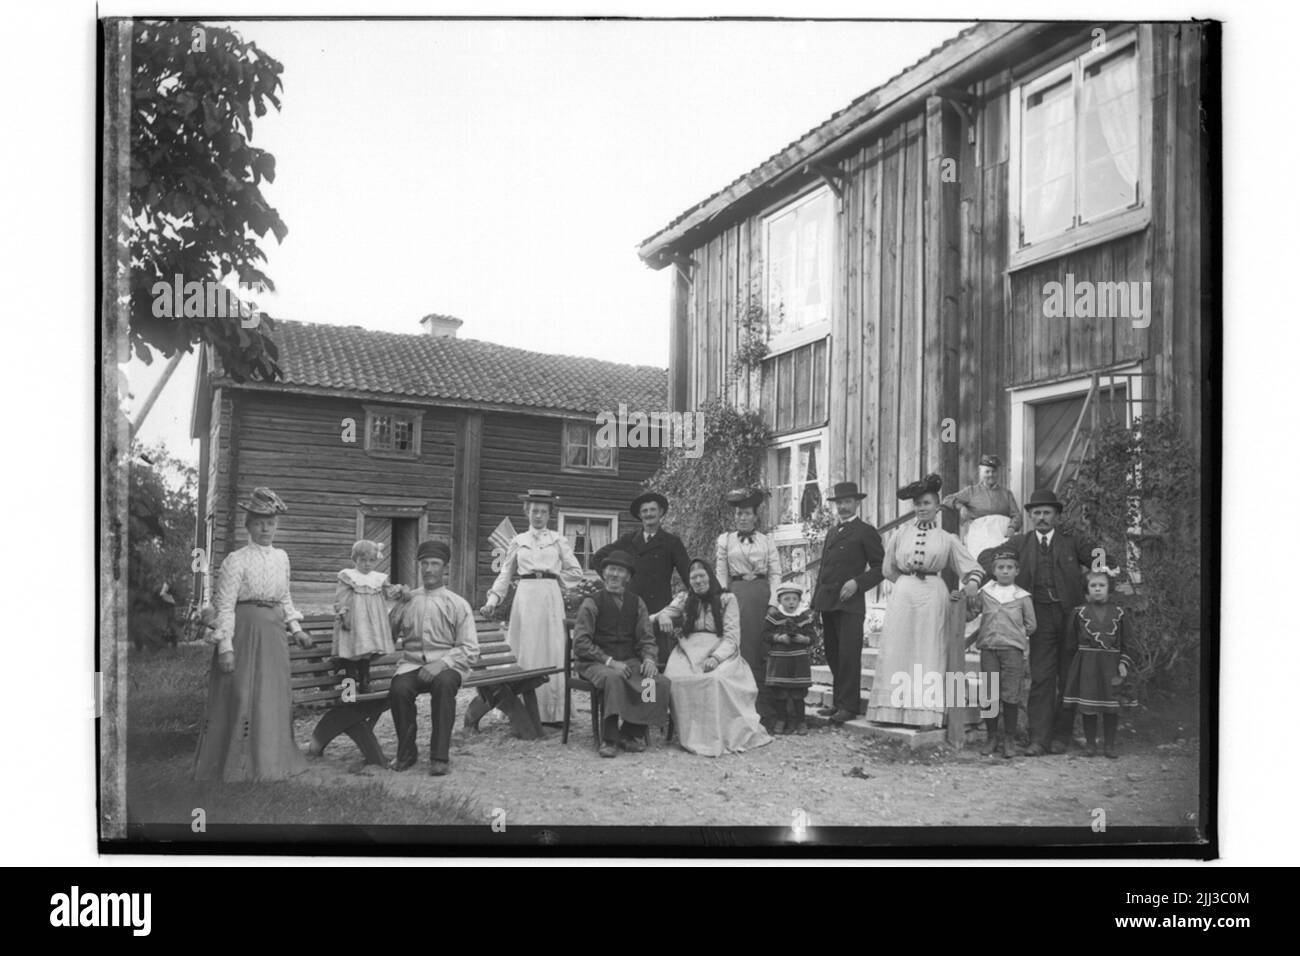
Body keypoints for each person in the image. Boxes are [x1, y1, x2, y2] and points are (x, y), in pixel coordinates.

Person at [194, 487, 312, 782]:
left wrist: (296, 629)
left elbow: (285, 599)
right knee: (243, 695)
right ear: (248, 525)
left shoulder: (282, 558)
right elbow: (225, 607)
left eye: (271, 523)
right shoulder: (236, 560)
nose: (265, 529)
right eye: (259, 522)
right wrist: (225, 648)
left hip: (273, 636)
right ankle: (238, 766)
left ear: (277, 525)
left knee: (271, 696)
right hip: (244, 634)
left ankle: (272, 765)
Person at [976, 489, 1096, 756]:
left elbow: (1099, 556)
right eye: (1037, 513)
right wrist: (994, 578)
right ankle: (1038, 739)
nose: (1042, 518)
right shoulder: (1019, 543)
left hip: (1070, 617)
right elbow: (986, 556)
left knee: (1068, 678)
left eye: (1047, 513)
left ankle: (1061, 736)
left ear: (1056, 515)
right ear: (1030, 516)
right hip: (1038, 617)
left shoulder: (1072, 540)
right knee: (1042, 677)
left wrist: (1100, 577)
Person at [865, 474, 983, 728]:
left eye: (927, 503)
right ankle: (891, 711)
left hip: (933, 594)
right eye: (918, 504)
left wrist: (971, 584)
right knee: (899, 647)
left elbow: (972, 568)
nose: (922, 508)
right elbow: (888, 569)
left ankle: (925, 714)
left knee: (929, 649)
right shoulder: (900, 534)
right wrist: (908, 584)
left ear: (937, 506)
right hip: (904, 595)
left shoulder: (946, 538)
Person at [479, 490, 584, 726]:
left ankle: (553, 712)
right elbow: (505, 575)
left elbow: (576, 571)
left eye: (543, 512)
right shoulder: (518, 541)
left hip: (549, 597)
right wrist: (492, 602)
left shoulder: (558, 541)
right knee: (525, 649)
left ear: (549, 515)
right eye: (534, 511)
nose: (538, 516)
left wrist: (556, 580)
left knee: (551, 647)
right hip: (525, 597)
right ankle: (520, 708)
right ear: (527, 512)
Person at [661, 559, 772, 756]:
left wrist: (716, 657)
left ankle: (717, 734)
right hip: (687, 650)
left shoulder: (726, 599)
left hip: (720, 649)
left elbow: (732, 636)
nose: (698, 581)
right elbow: (656, 616)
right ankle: (689, 733)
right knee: (674, 680)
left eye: (702, 576)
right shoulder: (684, 598)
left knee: (715, 679)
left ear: (710, 577)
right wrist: (663, 615)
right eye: (693, 577)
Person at [388, 540, 480, 776]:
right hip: (413, 663)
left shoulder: (457, 603)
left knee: (444, 683)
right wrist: (396, 605)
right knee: (399, 688)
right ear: (419, 566)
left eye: (435, 564)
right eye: (424, 564)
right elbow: (387, 637)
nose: (429, 569)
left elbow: (470, 649)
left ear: (444, 568)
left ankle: (439, 757)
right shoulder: (410, 600)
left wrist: (442, 663)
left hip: (448, 664)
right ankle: (406, 754)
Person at [571, 550, 671, 757]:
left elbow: (646, 637)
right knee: (614, 678)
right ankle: (609, 738)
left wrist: (650, 658)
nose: (615, 575)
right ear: (604, 573)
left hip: (628, 660)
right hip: (594, 662)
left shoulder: (637, 603)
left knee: (654, 682)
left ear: (628, 577)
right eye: (611, 570)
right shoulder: (592, 602)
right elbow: (580, 643)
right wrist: (609, 661)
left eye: (620, 571)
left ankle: (630, 731)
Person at [811, 481, 885, 724]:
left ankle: (849, 706)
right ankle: (838, 703)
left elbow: (880, 568)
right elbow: (823, 570)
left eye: (847, 502)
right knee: (832, 654)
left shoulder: (865, 531)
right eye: (839, 503)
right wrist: (815, 604)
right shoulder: (833, 532)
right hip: (828, 602)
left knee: (848, 654)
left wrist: (857, 583)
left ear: (857, 503)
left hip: (851, 604)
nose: (843, 507)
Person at [591, 491, 692, 665]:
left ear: (661, 513)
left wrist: (692, 601)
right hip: (630, 608)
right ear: (639, 515)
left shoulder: (671, 542)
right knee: (631, 658)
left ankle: (651, 693)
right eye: (644, 511)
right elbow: (597, 558)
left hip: (659, 611)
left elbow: (688, 575)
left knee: (654, 660)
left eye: (652, 510)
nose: (649, 514)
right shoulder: (628, 540)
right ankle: (633, 692)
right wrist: (614, 582)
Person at [714, 488, 784, 731]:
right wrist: (722, 596)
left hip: (762, 596)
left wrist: (775, 603)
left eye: (746, 514)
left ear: (755, 516)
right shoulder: (725, 540)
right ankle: (737, 708)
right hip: (737, 596)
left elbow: (776, 573)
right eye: (738, 514)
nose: (742, 518)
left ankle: (765, 711)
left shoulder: (767, 541)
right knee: (739, 648)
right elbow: (721, 571)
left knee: (761, 650)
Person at [966, 549, 1036, 758]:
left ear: (1017, 571)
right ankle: (991, 737)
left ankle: (1009, 740)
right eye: (1000, 568)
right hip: (989, 649)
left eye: (1009, 568)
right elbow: (971, 613)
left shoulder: (1022, 597)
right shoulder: (986, 593)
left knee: (1010, 694)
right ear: (994, 571)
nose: (1005, 571)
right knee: (990, 694)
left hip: (1012, 651)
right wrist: (961, 600)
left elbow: (1031, 625)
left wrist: (1015, 635)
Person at [1062, 570, 1131, 758]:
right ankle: (1090, 745)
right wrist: (1076, 665)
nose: (1098, 589)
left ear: (1109, 589)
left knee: (1111, 705)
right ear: (1087, 590)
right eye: (1093, 586)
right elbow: (1070, 642)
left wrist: (1123, 663)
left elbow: (1127, 642)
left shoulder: (1119, 613)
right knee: (1088, 706)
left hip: (1112, 664)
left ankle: (1109, 746)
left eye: (1102, 585)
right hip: (1088, 664)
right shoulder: (1079, 612)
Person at [331, 539, 405, 694]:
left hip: (371, 623)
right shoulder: (349, 576)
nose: (367, 564)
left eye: (371, 560)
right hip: (354, 621)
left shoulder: (377, 578)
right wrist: (343, 614)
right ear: (355, 559)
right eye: (362, 560)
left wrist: (399, 591)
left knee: (366, 652)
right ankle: (348, 692)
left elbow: (389, 593)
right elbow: (341, 598)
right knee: (351, 655)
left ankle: (365, 682)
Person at [762, 583, 818, 735]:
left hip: (798, 662)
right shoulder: (774, 618)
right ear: (780, 601)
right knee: (780, 693)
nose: (791, 602)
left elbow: (813, 637)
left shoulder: (803, 618)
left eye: (794, 599)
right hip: (779, 662)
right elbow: (765, 635)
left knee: (798, 694)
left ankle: (800, 721)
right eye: (787, 599)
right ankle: (781, 719)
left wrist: (803, 639)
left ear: (799, 601)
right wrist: (779, 637)